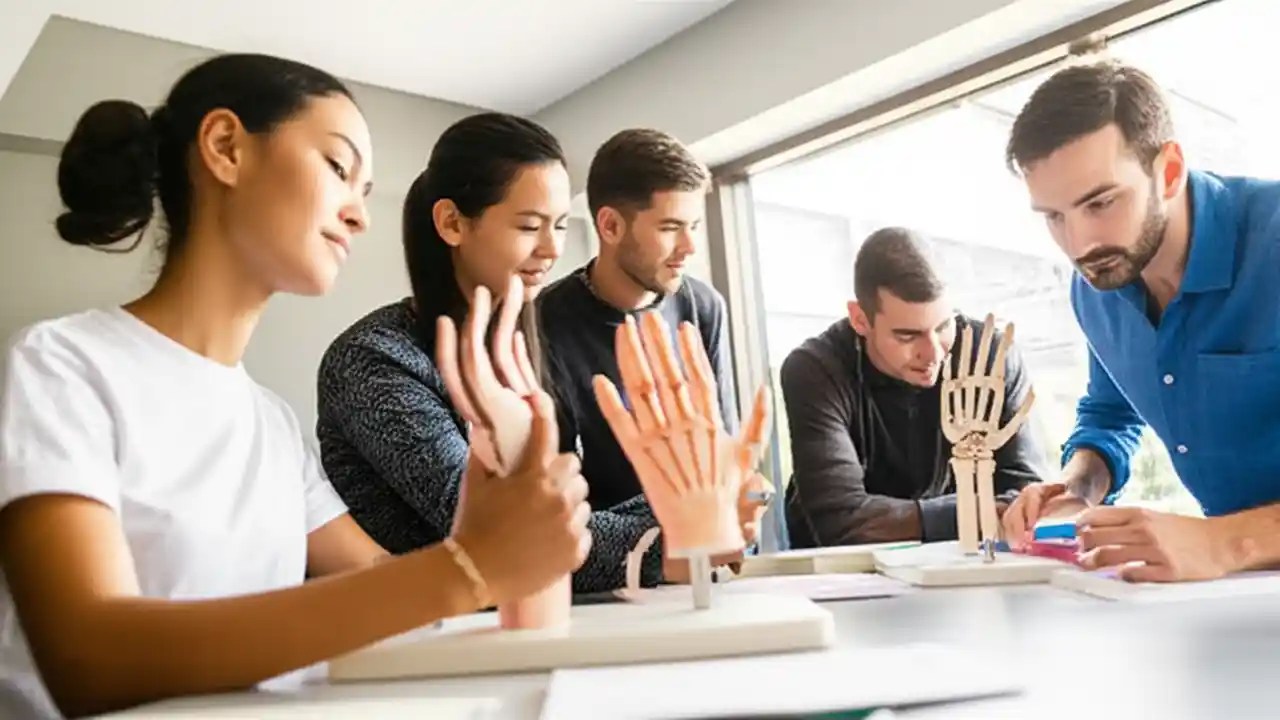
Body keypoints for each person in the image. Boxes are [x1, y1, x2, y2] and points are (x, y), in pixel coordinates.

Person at [0, 55, 589, 719]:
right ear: (226, 148)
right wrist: (465, 566)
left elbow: (384, 590)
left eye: (366, 192)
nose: (360, 217)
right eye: (340, 169)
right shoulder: (66, 364)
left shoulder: (270, 423)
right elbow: (89, 658)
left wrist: (502, 498)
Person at [316, 113, 657, 594]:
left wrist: (687, 502)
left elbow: (571, 516)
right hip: (429, 645)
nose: (551, 249)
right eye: (529, 225)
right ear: (452, 223)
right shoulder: (374, 359)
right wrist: (674, 538)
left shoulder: (527, 351)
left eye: (559, 226)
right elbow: (499, 535)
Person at [1002, 59, 1280, 582]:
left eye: (1101, 202)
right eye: (1054, 217)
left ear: (1169, 171)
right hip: (1242, 592)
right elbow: (1110, 414)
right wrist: (1074, 492)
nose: (1079, 244)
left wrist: (1223, 541)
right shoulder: (1097, 287)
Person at [537, 128, 763, 579]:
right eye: (670, 227)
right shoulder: (542, 323)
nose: (690, 248)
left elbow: (722, 452)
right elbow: (553, 501)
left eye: (694, 227)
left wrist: (745, 496)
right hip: (612, 571)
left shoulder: (704, 307)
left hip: (711, 559)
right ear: (610, 226)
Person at [781, 227, 1047, 548]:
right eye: (908, 335)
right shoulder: (815, 370)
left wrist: (995, 511)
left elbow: (1027, 500)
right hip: (839, 573)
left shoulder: (988, 356)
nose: (934, 353)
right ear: (860, 319)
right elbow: (841, 522)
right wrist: (983, 512)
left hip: (952, 560)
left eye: (944, 326)